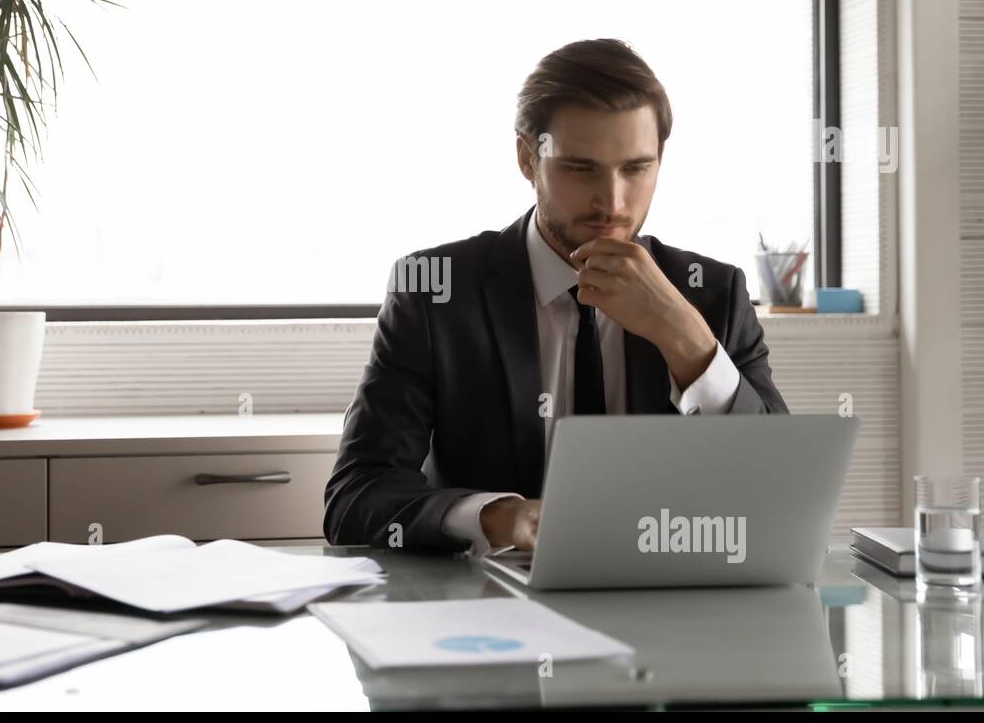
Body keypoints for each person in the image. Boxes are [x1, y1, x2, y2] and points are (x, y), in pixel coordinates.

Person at [324, 38, 788, 556]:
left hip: (673, 610)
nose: (612, 203)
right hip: (490, 619)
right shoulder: (434, 291)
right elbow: (354, 500)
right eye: (580, 168)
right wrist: (497, 517)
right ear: (528, 158)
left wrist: (688, 342)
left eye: (636, 169)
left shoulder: (713, 295)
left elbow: (783, 495)